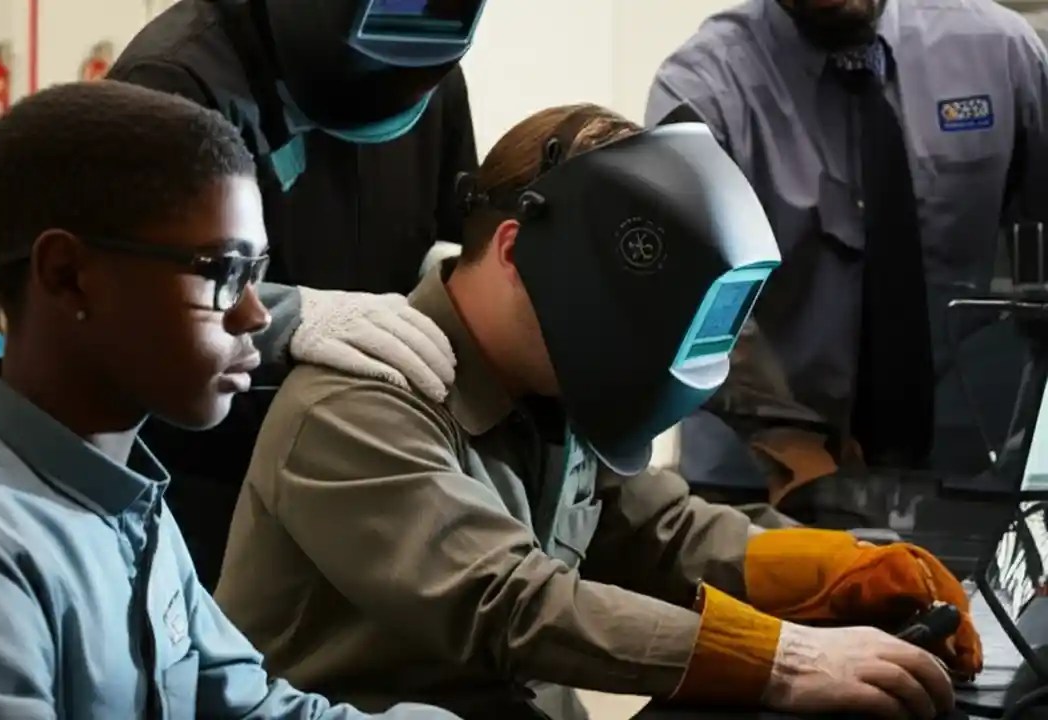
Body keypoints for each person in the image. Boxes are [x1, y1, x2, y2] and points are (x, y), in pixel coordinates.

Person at [213, 104, 981, 720]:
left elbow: (660, 532)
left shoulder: (555, 378)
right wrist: (783, 661)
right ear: (515, 251)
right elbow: (507, 602)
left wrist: (842, 566)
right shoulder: (360, 402)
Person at [0, 80, 460, 719]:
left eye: (257, 274)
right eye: (224, 272)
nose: (256, 315)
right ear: (68, 276)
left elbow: (249, 709)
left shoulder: (121, 500)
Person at [107, 0, 484, 585]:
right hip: (214, 482)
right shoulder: (173, 78)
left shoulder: (423, 56)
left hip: (371, 470)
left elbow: (456, 233)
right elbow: (139, 293)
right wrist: (291, 318)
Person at [645, 0, 1048, 502]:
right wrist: (788, 439)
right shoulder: (702, 87)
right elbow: (686, 297)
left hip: (972, 467)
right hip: (760, 479)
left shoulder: (1001, 52)